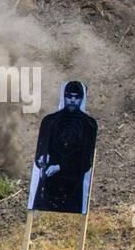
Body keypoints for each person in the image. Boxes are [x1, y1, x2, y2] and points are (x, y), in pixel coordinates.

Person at [30, 79, 97, 214]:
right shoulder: (50, 121)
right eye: (69, 96)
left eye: (76, 97)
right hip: (49, 185)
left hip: (72, 186)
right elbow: (40, 150)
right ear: (64, 97)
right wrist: (42, 157)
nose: (72, 100)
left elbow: (85, 162)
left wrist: (61, 166)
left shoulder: (88, 125)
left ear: (81, 99)